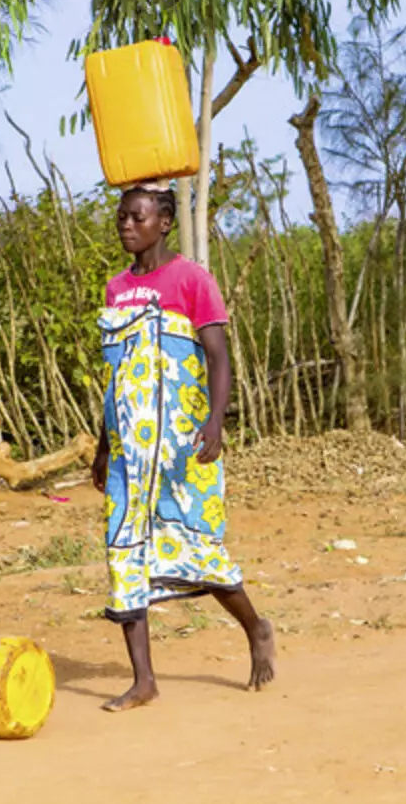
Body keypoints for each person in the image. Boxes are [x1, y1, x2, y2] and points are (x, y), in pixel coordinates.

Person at [91, 178, 275, 712]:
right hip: (130, 452)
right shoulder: (115, 289)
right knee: (124, 556)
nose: (127, 225)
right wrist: (105, 446)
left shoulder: (193, 279)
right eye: (123, 217)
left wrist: (215, 423)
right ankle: (143, 679)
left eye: (138, 216)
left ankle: (256, 626)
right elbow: (116, 378)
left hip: (180, 450)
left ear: (165, 221)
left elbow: (218, 358)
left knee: (197, 549)